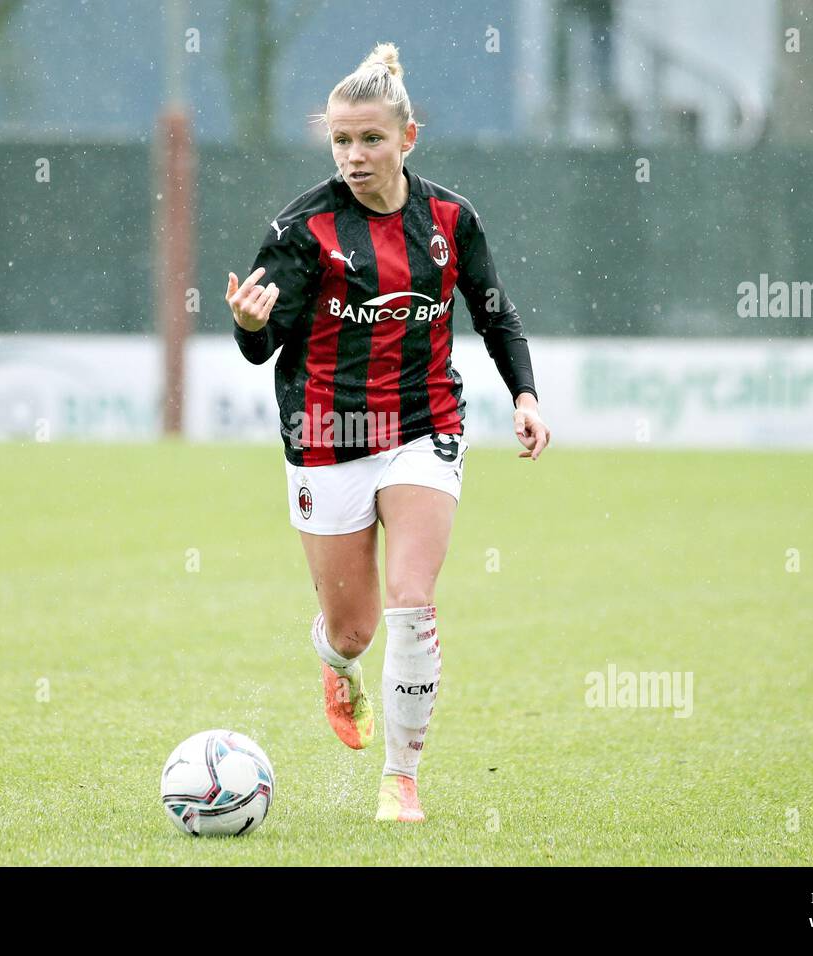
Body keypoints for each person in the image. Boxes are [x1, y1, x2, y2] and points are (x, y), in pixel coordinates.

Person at [224, 41, 551, 823]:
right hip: (326, 434)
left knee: (413, 600)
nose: (354, 155)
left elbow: (493, 309)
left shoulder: (449, 220)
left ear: (409, 138)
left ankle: (401, 781)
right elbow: (263, 346)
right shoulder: (302, 230)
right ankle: (336, 664)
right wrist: (246, 326)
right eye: (341, 139)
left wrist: (526, 395)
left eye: (370, 138)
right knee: (354, 626)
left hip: (423, 423)